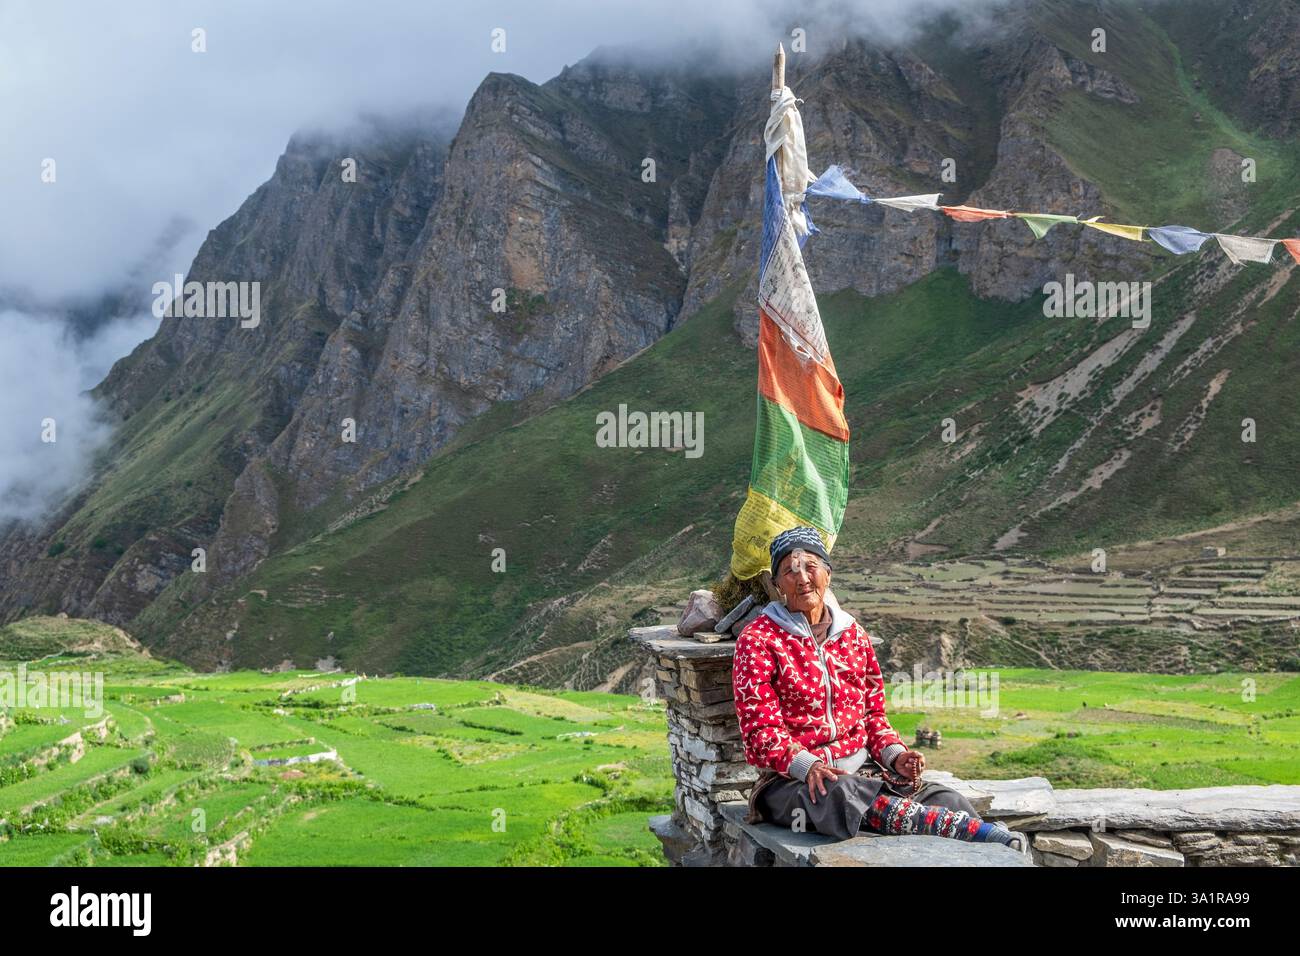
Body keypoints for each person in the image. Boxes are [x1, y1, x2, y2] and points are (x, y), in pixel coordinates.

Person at [731, 526, 1026, 851]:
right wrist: (807, 764)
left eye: (810, 566)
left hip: (864, 768)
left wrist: (895, 755)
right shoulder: (759, 640)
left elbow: (872, 715)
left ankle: (988, 843)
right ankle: (977, 834)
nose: (802, 578)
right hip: (793, 781)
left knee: (945, 797)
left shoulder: (853, 635)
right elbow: (760, 731)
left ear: (827, 573)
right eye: (789, 570)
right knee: (840, 795)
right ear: (777, 584)